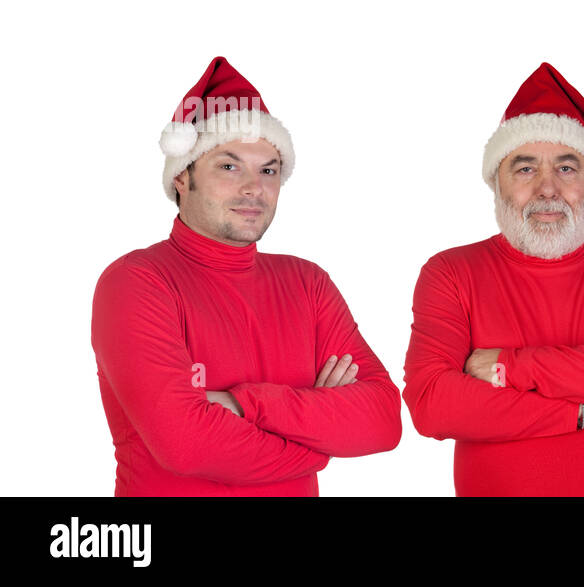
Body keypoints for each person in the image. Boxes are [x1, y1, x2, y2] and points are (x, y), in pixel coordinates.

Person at [90, 56, 402, 496]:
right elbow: (186, 444)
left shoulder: (307, 283)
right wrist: (315, 442)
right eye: (229, 166)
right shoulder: (137, 282)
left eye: (268, 170)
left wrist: (242, 404)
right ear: (182, 175)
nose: (254, 188)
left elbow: (383, 420)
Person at [401, 63, 584, 496]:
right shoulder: (451, 272)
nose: (547, 189)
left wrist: (508, 366)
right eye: (524, 169)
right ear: (495, 182)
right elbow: (433, 403)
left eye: (567, 168)